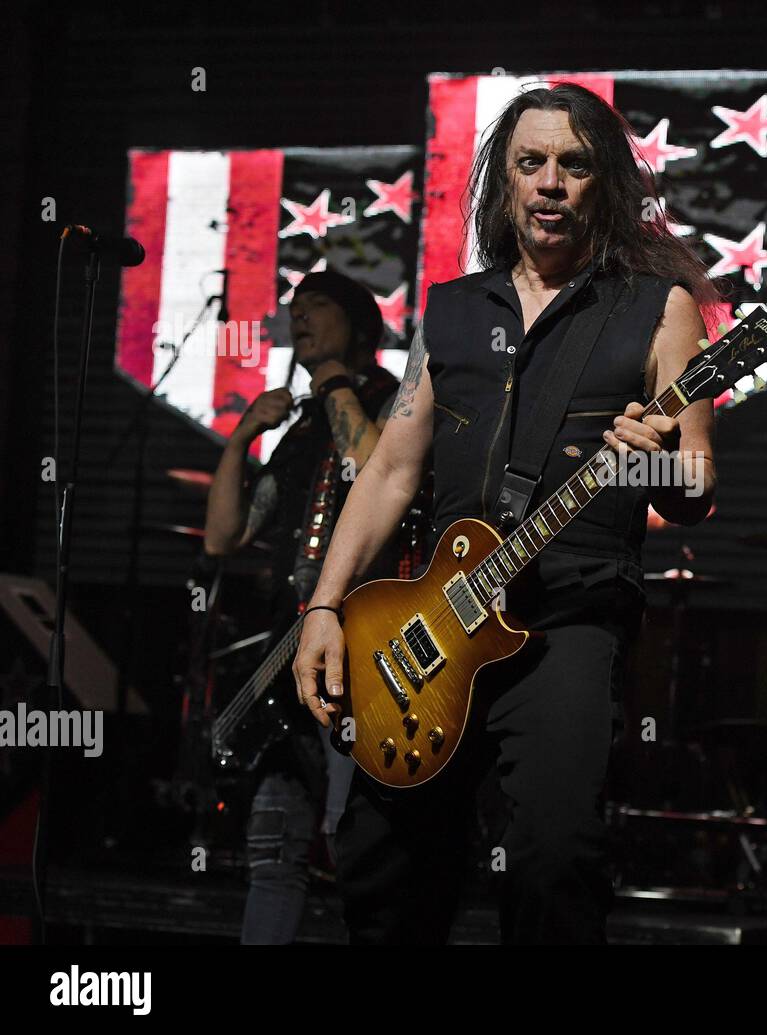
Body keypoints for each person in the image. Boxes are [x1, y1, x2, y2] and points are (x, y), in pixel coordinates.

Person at [292, 81, 722, 944]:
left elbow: (699, 484)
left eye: (574, 164)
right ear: (506, 182)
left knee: (554, 861)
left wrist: (658, 459)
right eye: (532, 163)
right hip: (436, 623)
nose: (551, 182)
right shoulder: (454, 312)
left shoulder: (657, 308)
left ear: (606, 184)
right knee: (382, 862)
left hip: (567, 621)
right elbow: (387, 472)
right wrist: (323, 607)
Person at [204, 270, 399, 943]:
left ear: (358, 321)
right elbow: (223, 534)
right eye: (295, 310)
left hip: (361, 650)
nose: (301, 319)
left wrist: (336, 383)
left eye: (318, 306)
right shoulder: (302, 424)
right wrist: (241, 436)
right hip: (285, 653)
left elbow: (375, 474)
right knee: (273, 839)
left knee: (352, 837)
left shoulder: (390, 400)